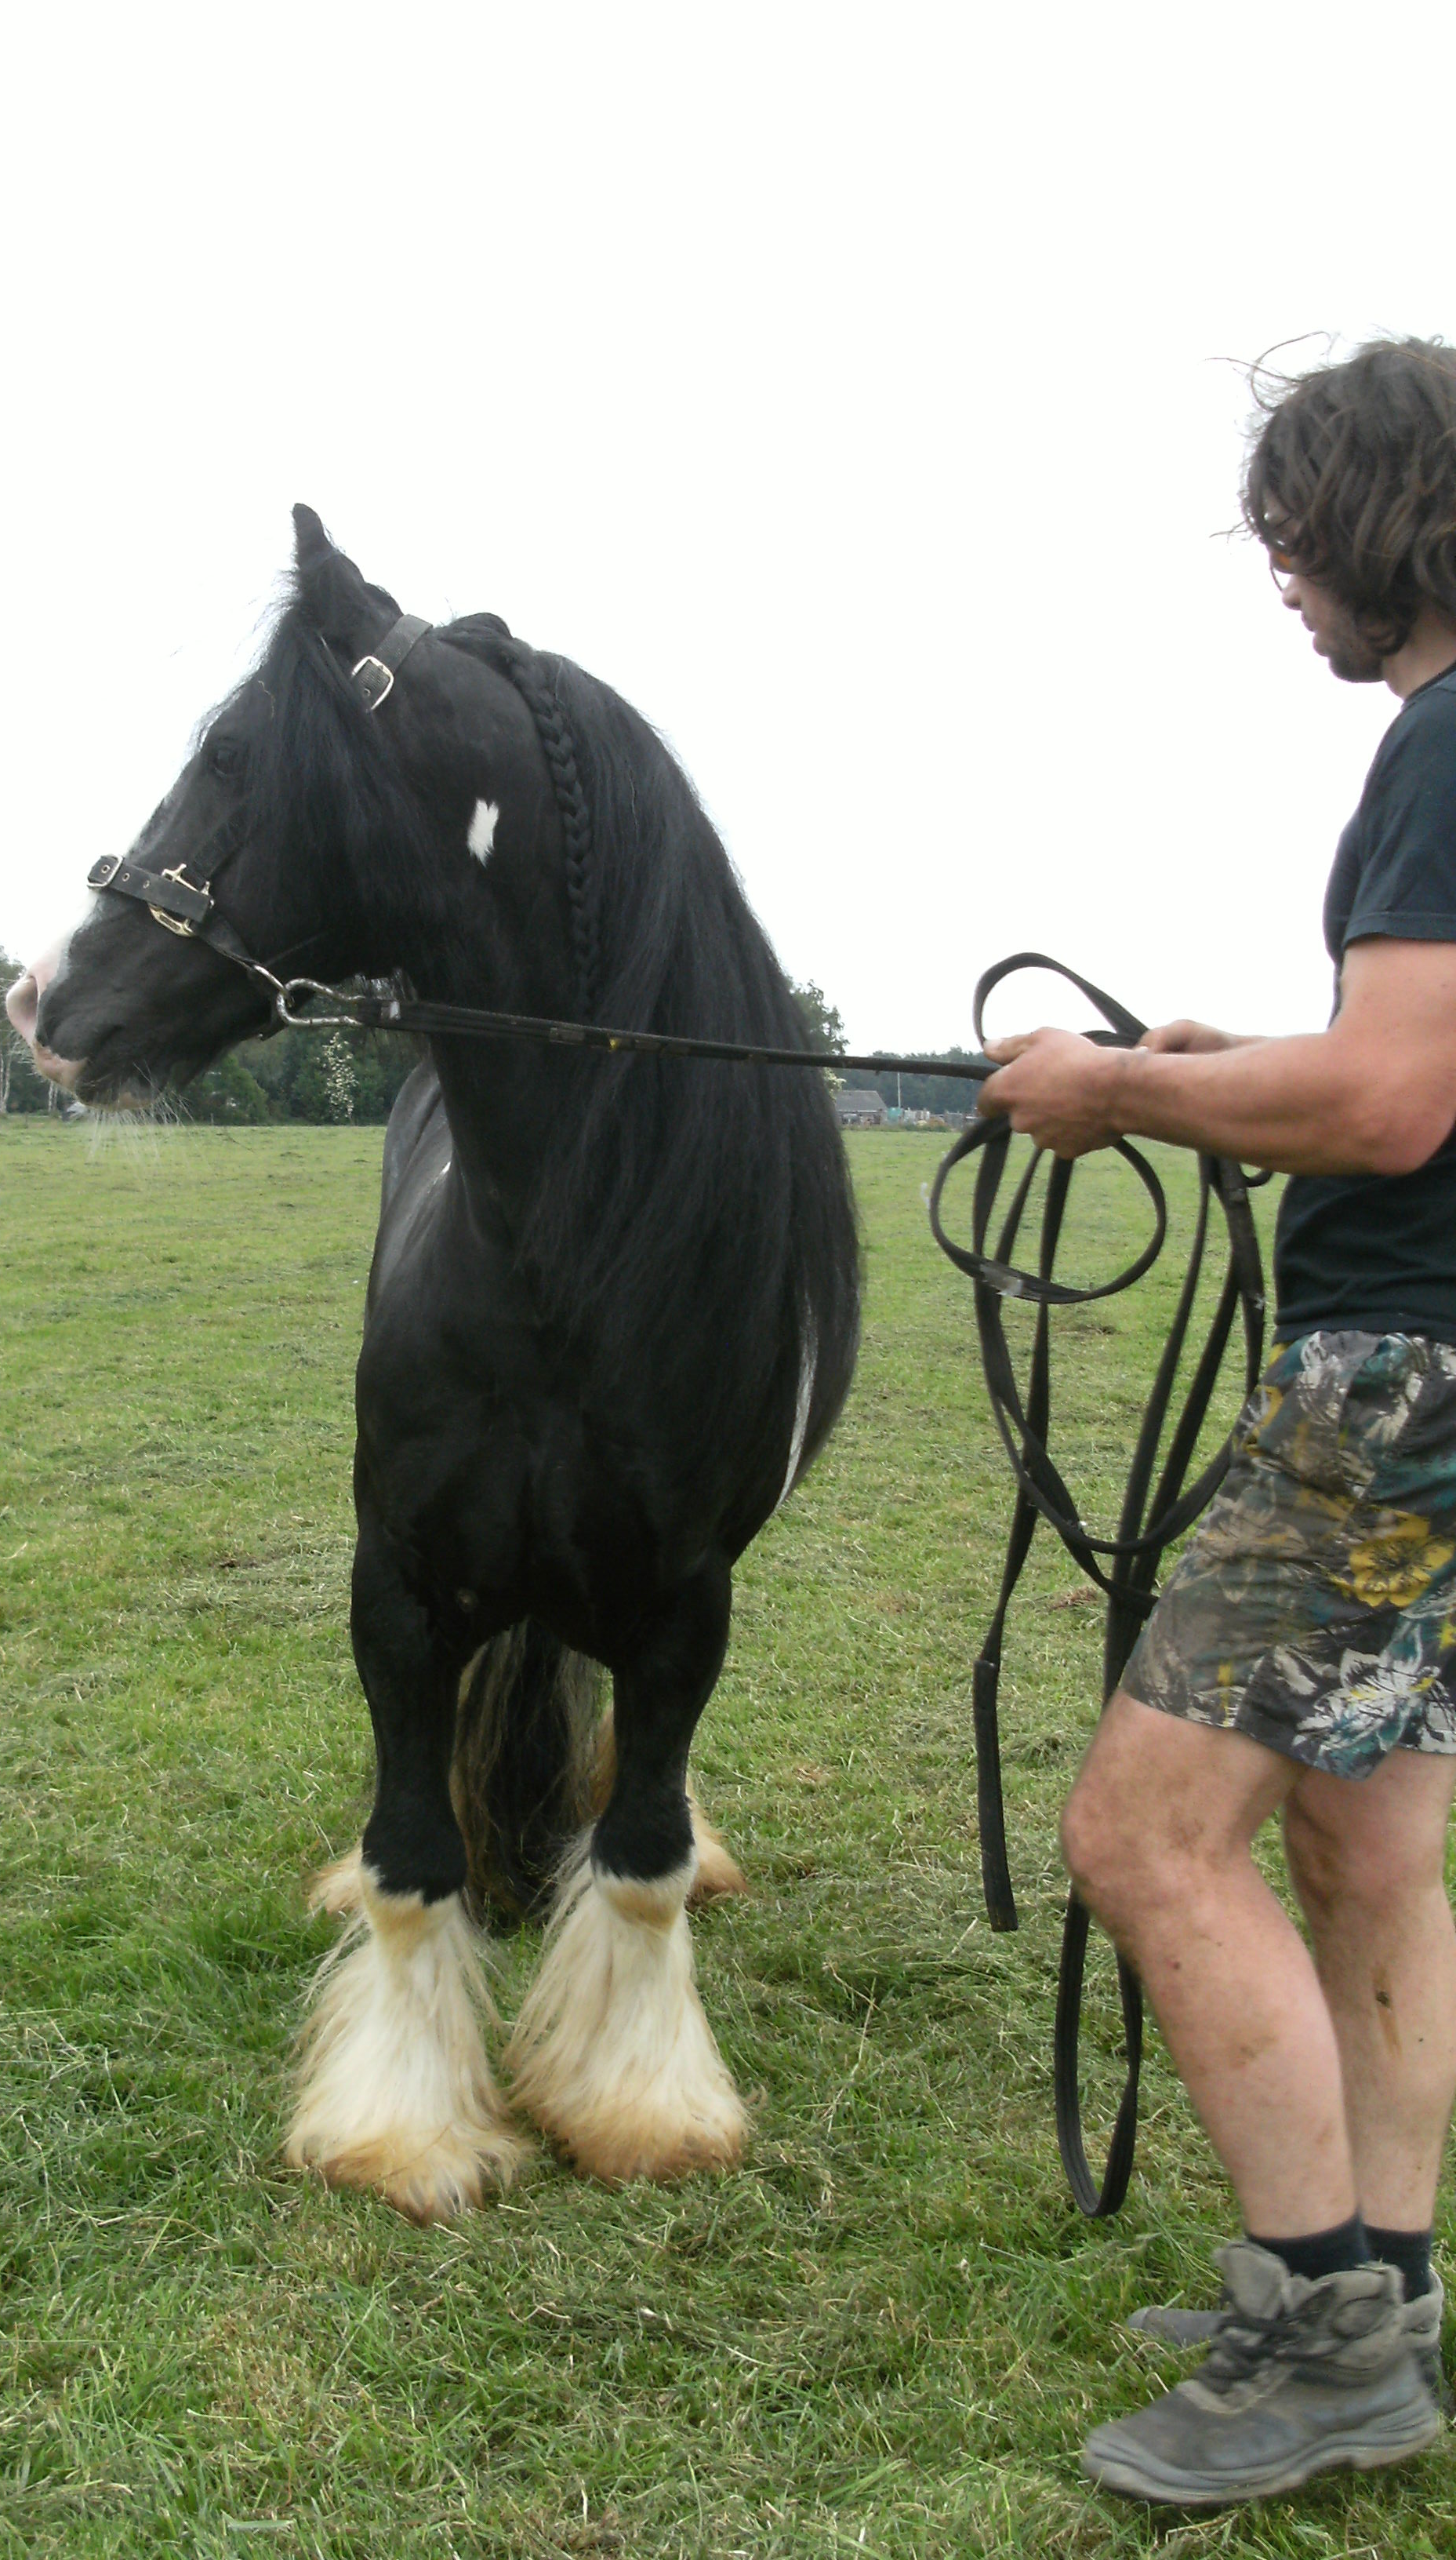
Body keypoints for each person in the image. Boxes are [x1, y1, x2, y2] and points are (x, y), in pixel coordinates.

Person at [981, 336, 1456, 2507]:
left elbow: (1388, 1099)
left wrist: (1127, 1093)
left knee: (1145, 1834)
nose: (1283, 582)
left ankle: (1316, 2345)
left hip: (1394, 1391)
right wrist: (1227, 1064)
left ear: (1382, 516)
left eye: (1292, 535)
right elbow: (1385, 1067)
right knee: (1366, 1839)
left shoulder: (1442, 743)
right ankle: (1388, 2278)